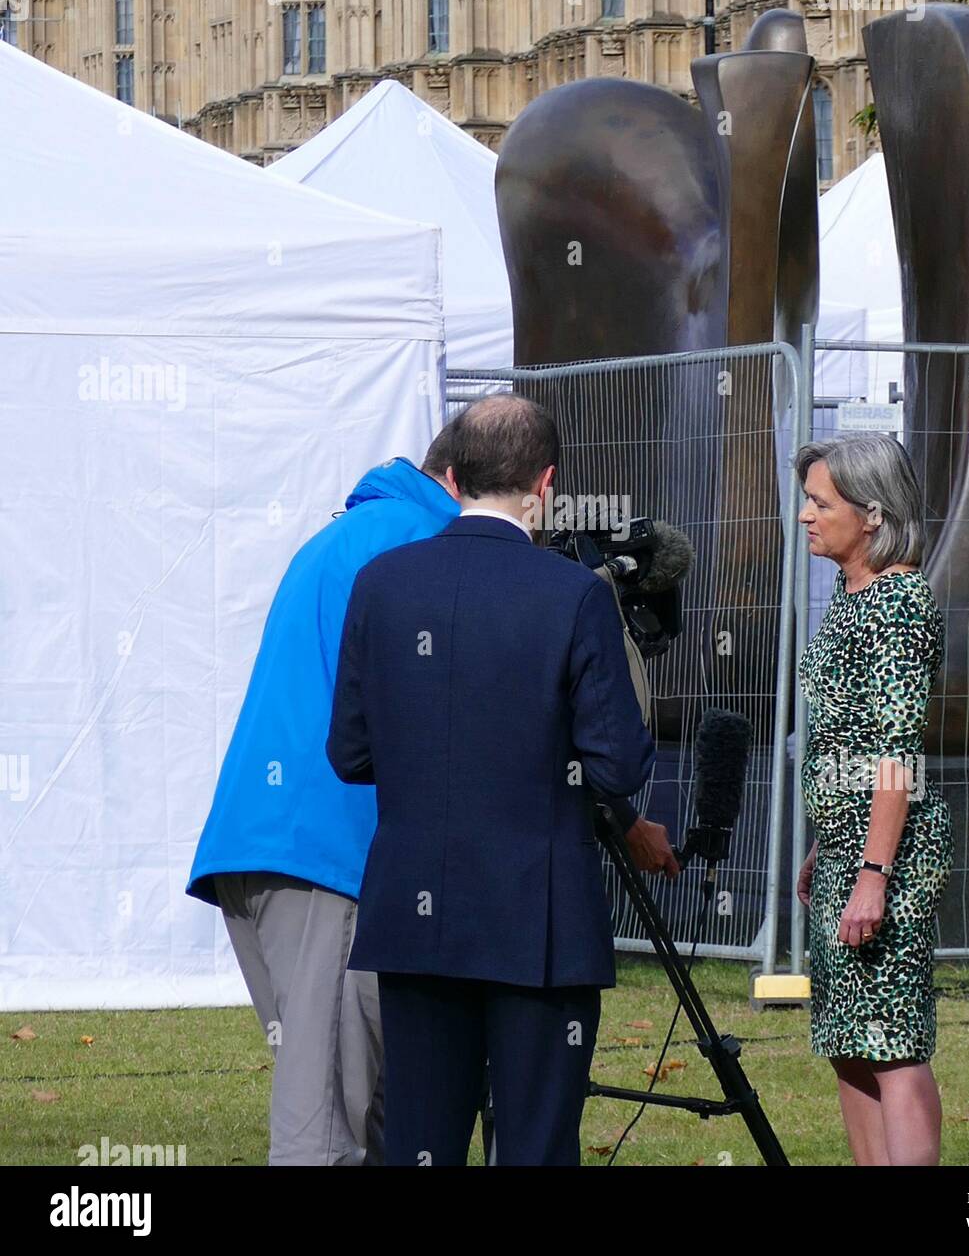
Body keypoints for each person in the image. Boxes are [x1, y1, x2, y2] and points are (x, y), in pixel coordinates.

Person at [327, 392, 680, 1166]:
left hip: (415, 912)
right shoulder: (573, 594)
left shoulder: (381, 584)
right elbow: (618, 761)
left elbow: (348, 754)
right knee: (535, 1145)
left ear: (449, 476)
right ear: (545, 483)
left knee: (419, 1142)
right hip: (537, 919)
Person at [186, 424, 462, 1166]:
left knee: (351, 1102)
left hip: (272, 847)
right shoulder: (420, 540)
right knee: (330, 1122)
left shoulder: (352, 533)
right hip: (328, 856)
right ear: (463, 483)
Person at [794, 431, 953, 1166]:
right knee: (846, 1041)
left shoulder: (898, 601)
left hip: (888, 856)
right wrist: (827, 842)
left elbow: (895, 752)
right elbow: (845, 737)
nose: (804, 515)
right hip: (847, 846)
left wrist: (872, 873)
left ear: (871, 513)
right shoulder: (848, 592)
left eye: (819, 502)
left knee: (889, 1040)